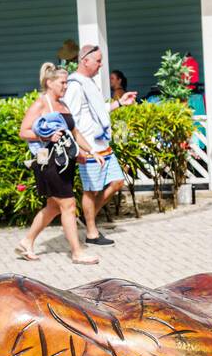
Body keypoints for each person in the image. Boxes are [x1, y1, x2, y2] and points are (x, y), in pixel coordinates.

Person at [16, 64, 106, 265]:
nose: (66, 86)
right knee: (68, 205)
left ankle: (26, 242)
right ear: (49, 82)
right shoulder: (41, 104)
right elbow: (23, 132)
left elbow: (74, 133)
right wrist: (46, 135)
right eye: (62, 82)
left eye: (67, 82)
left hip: (65, 161)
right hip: (48, 162)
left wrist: (91, 151)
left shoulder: (63, 105)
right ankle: (77, 252)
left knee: (53, 207)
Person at [63, 44, 133, 246]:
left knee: (117, 181)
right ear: (85, 61)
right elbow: (71, 119)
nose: (101, 65)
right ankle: (91, 232)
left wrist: (120, 103)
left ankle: (88, 217)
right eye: (98, 61)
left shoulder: (89, 82)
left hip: (102, 144)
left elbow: (98, 110)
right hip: (90, 147)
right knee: (91, 190)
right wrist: (79, 148)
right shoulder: (75, 85)